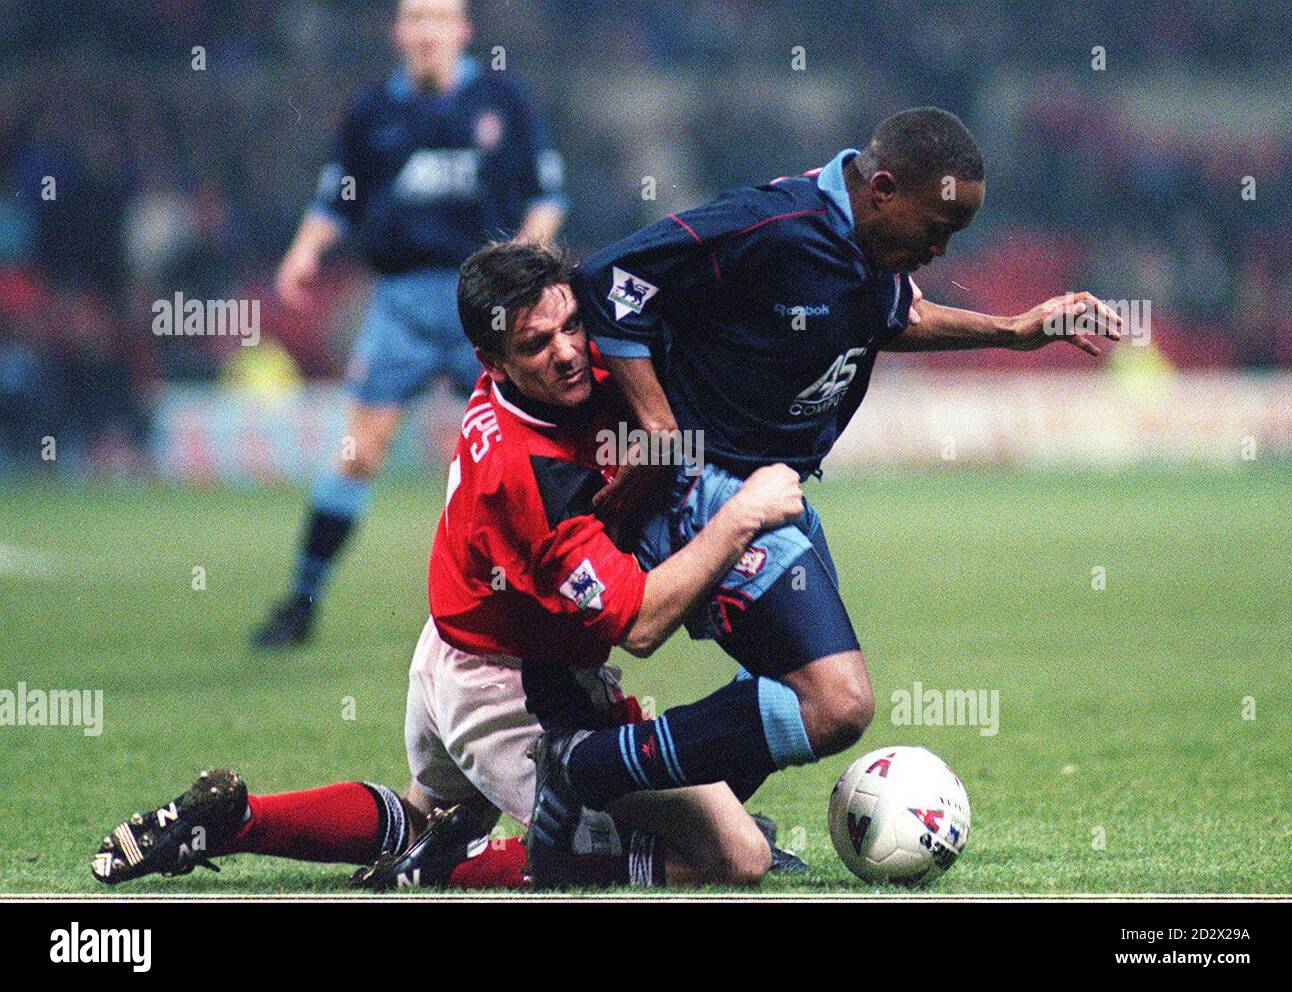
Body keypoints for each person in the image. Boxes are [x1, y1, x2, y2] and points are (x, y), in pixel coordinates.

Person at [526, 107, 1124, 883]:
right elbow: (612, 278)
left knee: (779, 687)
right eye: (938, 228)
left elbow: (894, 313)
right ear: (881, 188)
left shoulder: (869, 248)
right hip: (705, 487)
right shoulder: (772, 225)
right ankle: (588, 768)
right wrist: (658, 425)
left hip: (773, 492)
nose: (940, 251)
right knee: (835, 702)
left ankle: (669, 832)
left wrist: (1013, 332)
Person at [92, 242, 804, 891]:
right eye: (536, 344)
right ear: (491, 363)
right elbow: (640, 624)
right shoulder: (528, 474)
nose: (566, 353)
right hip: (522, 690)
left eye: (571, 327)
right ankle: (446, 869)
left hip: (454, 653)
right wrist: (742, 514)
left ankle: (240, 821)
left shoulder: (529, 392)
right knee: (733, 855)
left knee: (421, 808)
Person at [252, 0, 566, 649]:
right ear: (399, 32)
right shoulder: (373, 113)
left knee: (538, 447)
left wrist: (522, 269)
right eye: (415, 19)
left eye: (439, 18)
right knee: (358, 451)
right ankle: (301, 602)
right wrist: (304, 250)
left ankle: (569, 597)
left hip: (486, 303)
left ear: (463, 30)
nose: (427, 31)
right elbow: (336, 199)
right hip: (401, 303)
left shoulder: (502, 99)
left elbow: (546, 199)